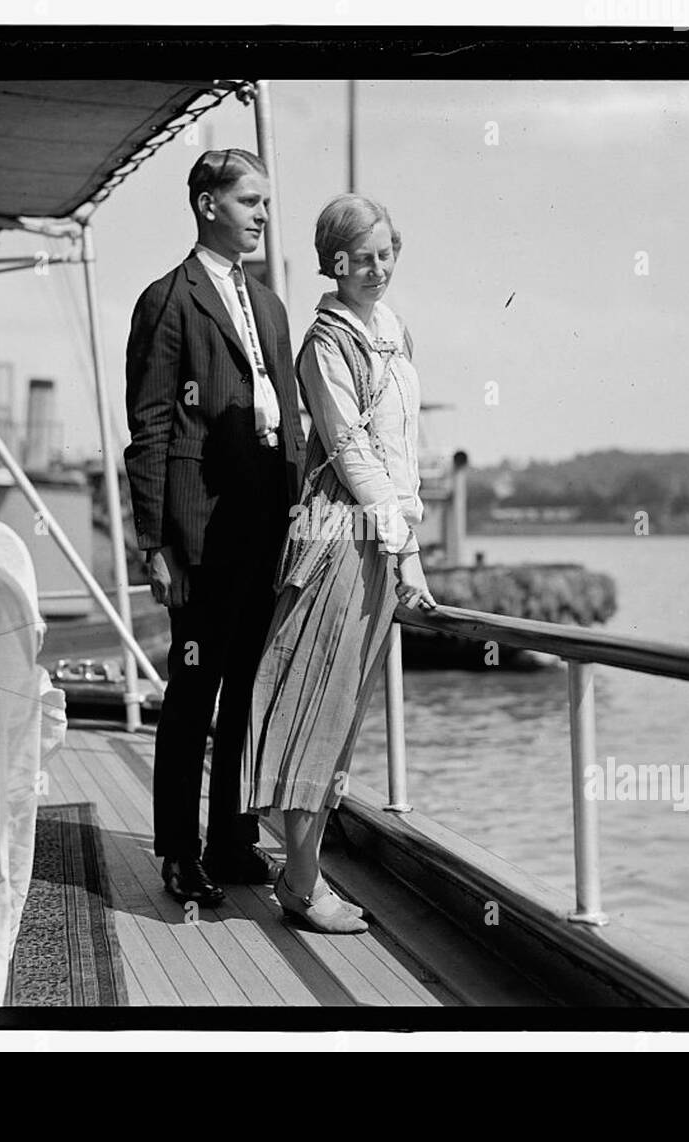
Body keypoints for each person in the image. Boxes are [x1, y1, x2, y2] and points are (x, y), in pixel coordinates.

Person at [241, 194, 437, 934]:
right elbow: (353, 454)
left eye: (388, 252)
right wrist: (410, 552)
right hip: (337, 539)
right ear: (335, 260)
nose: (378, 267)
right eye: (362, 256)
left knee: (345, 709)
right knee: (316, 704)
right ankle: (300, 883)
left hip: (382, 541)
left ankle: (301, 875)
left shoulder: (396, 330)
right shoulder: (326, 341)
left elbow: (402, 449)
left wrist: (404, 539)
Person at [123, 149, 306, 907]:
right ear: (207, 204)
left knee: (248, 691)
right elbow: (151, 427)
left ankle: (232, 839)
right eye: (249, 201)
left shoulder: (270, 305)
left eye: (265, 202)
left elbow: (287, 417)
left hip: (267, 521)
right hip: (201, 531)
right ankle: (178, 852)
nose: (262, 214)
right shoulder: (169, 301)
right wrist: (154, 544)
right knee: (194, 692)